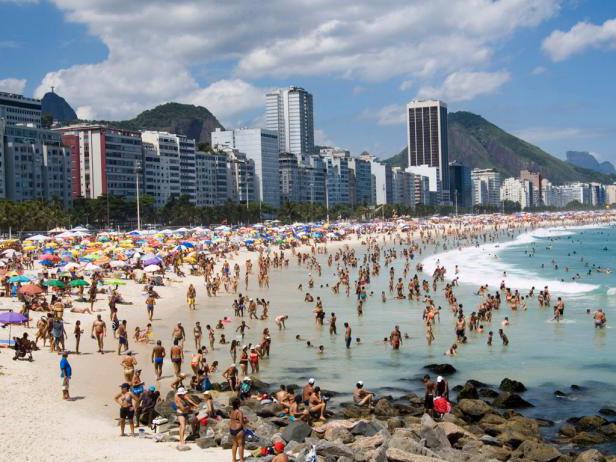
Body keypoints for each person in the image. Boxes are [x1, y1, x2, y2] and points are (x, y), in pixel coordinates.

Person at [229, 398, 246, 462]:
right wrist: (246, 420)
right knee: (241, 445)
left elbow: (233, 419)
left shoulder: (231, 411)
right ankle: (241, 459)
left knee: (234, 444)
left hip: (232, 429)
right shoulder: (239, 412)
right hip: (238, 430)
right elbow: (241, 423)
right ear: (238, 404)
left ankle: (234, 459)